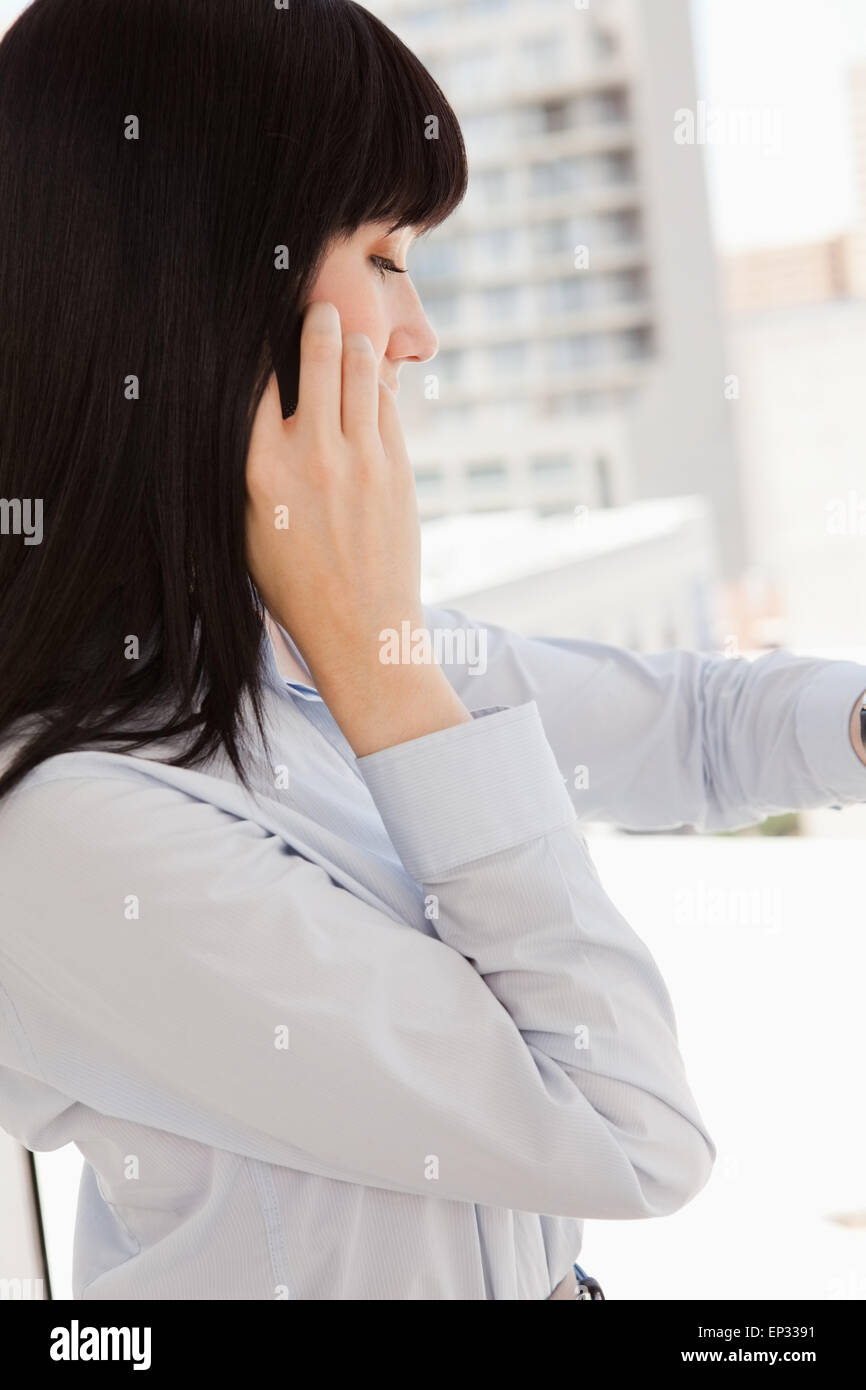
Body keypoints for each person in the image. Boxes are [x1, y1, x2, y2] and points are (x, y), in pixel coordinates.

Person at [0, 0, 864, 1302]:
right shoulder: (64, 830)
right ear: (215, 276)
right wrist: (386, 673)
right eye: (389, 254)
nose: (418, 331)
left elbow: (685, 727)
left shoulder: (276, 643)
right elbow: (622, 1128)